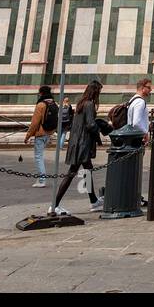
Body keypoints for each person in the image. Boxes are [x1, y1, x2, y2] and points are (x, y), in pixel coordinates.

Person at [50, 81, 109, 216]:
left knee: (87, 171)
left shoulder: (81, 104)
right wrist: (100, 127)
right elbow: (90, 125)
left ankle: (93, 201)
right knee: (71, 174)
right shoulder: (89, 104)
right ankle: (54, 205)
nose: (99, 94)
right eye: (99, 91)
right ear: (95, 91)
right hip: (82, 144)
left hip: (77, 143)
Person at [24, 85, 58, 188]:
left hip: (40, 134)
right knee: (40, 156)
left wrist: (28, 136)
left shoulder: (41, 105)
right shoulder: (54, 103)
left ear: (41, 93)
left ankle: (42, 180)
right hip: (49, 133)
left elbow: (35, 122)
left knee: (38, 157)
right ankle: (40, 178)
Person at [126, 78, 153, 207]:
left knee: (133, 170)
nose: (150, 90)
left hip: (132, 138)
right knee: (135, 170)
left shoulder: (132, 100)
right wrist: (145, 133)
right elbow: (136, 122)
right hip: (137, 139)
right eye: (149, 87)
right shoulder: (140, 102)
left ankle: (135, 196)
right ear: (142, 87)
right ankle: (135, 198)